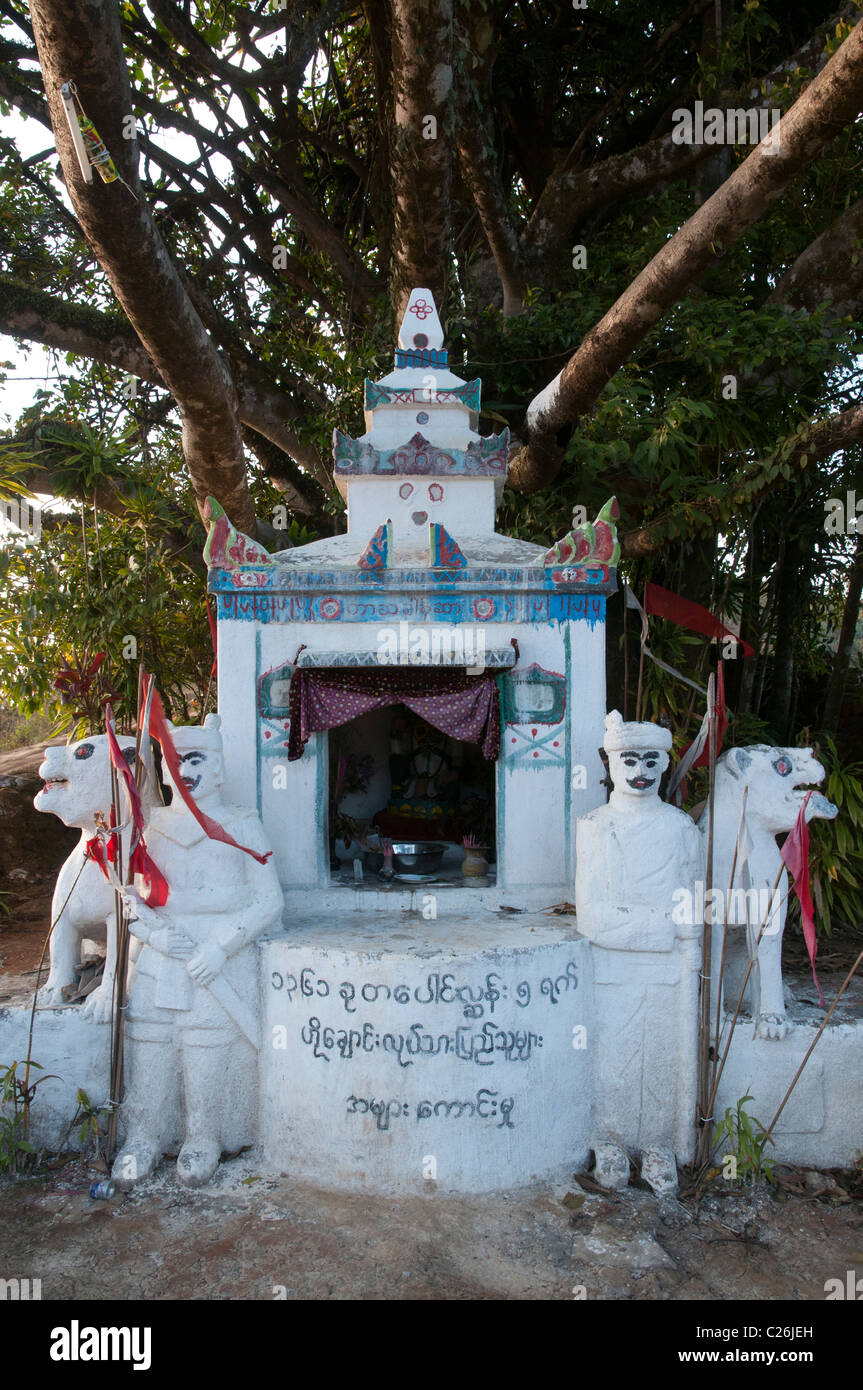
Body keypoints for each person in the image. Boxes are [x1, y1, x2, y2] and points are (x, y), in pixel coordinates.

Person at [112, 714, 283, 1188]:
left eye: (197, 758)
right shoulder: (151, 828)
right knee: (151, 1044)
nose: (186, 769)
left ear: (220, 768)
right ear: (164, 770)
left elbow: (269, 900)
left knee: (204, 1045)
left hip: (216, 961)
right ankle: (144, 1136)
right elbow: (129, 898)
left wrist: (222, 946)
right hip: (161, 959)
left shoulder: (242, 826)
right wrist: (152, 933)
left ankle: (203, 1137)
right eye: (176, 760)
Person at [575, 711, 703, 1193]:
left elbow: (692, 903)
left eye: (651, 760)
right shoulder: (595, 827)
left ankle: (659, 1143)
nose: (640, 771)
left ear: (666, 763)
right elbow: (593, 917)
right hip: (611, 969)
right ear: (611, 763)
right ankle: (609, 1139)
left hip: (669, 972)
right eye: (629, 759)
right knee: (613, 1057)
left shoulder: (681, 829)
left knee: (662, 1056)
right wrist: (664, 925)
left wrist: (684, 932)